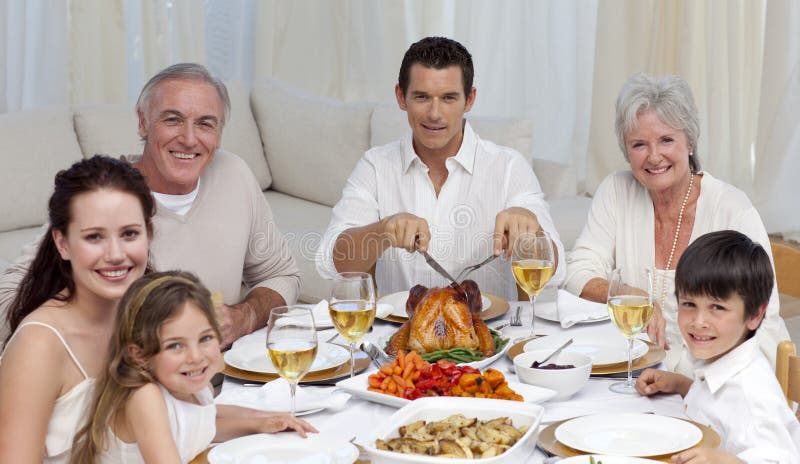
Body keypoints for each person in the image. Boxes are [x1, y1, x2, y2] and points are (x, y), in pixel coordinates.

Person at [0, 63, 300, 348]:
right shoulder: (104, 195)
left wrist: (243, 317)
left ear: (219, 133)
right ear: (143, 122)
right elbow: (9, 299)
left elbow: (282, 275)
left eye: (205, 124)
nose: (189, 139)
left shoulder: (235, 174)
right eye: (173, 119)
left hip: (221, 376)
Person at [563, 72, 789, 375]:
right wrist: (635, 297)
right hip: (639, 369)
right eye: (639, 144)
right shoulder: (616, 190)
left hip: (719, 376)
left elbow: (761, 322)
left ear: (690, 141)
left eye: (666, 140)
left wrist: (687, 381)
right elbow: (578, 272)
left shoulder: (733, 210)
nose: (654, 157)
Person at [316, 37, 564, 300]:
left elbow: (557, 273)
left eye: (448, 98)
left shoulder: (509, 167)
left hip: (492, 335)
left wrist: (532, 232)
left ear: (469, 100)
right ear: (401, 97)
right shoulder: (375, 166)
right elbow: (331, 262)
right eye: (422, 97)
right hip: (401, 335)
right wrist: (382, 231)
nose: (435, 113)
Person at [70, 271, 316, 463]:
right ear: (140, 355)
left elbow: (205, 422)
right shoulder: (145, 397)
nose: (196, 356)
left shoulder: (197, 386)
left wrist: (262, 421)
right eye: (176, 346)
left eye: (205, 338)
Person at [0, 156, 154, 463]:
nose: (115, 254)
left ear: (148, 234)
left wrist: (267, 420)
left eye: (129, 234)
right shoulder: (39, 345)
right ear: (62, 243)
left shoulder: (144, 314)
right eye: (94, 237)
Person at [635, 230, 800, 463]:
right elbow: (717, 410)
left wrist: (723, 461)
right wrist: (681, 385)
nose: (698, 321)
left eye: (717, 308)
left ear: (754, 315)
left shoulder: (752, 396)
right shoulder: (721, 360)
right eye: (689, 304)